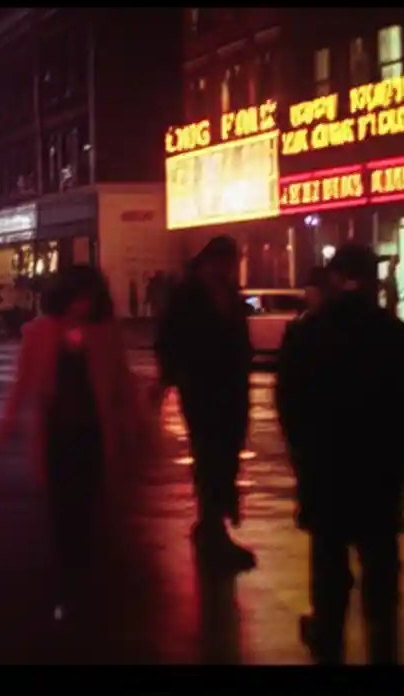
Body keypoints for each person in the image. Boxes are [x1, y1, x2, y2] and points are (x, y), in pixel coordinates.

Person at [275, 243, 404, 665]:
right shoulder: (399, 338)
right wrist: (397, 457)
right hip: (379, 471)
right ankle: (381, 638)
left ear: (335, 279)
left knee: (328, 561)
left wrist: (303, 459)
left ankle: (327, 633)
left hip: (326, 469)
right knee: (379, 562)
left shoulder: (307, 335)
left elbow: (290, 405)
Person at [0, 264, 148, 622]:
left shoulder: (105, 333)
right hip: (56, 432)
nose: (83, 304)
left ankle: (83, 577)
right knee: (61, 508)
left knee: (89, 504)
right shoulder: (39, 331)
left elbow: (121, 382)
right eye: (78, 297)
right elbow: (24, 382)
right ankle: (68, 581)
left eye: (90, 298)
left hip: (93, 430)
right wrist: (8, 421)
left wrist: (135, 420)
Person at [154, 236, 256, 571]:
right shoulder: (190, 295)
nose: (228, 268)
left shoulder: (225, 293)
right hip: (202, 388)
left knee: (224, 455)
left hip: (230, 388)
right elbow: (170, 338)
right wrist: (171, 376)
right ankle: (212, 528)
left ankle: (213, 526)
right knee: (211, 456)